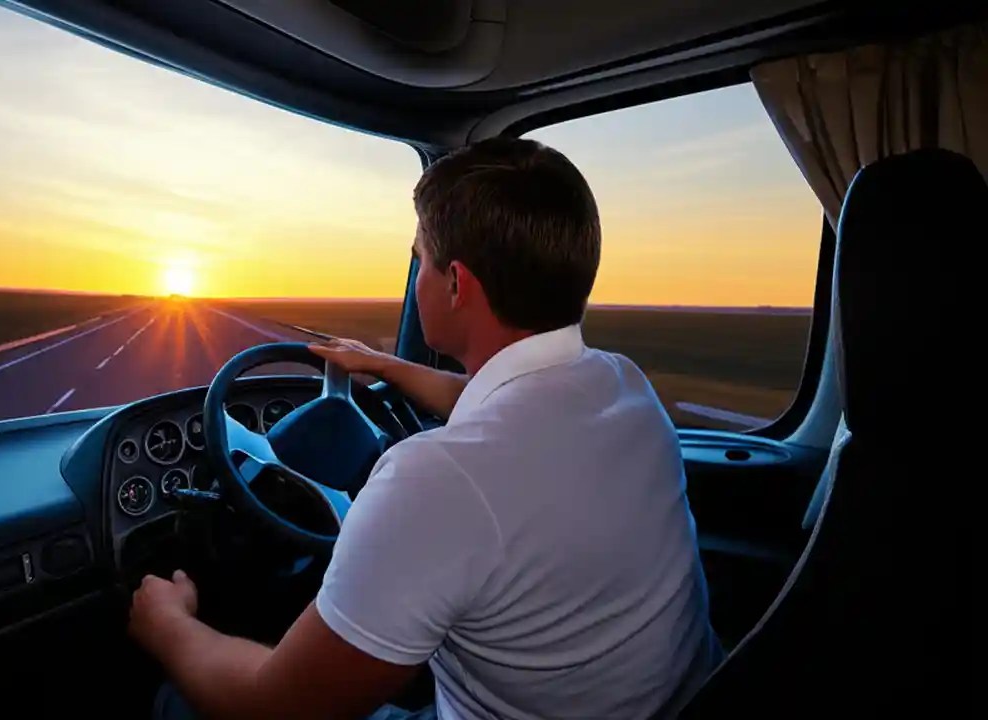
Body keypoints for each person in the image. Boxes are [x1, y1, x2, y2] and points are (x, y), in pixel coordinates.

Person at [126, 136, 725, 719]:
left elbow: (276, 703)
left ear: (458, 284)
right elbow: (497, 401)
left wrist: (168, 624)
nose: (418, 277)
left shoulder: (438, 480)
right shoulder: (624, 387)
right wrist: (385, 365)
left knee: (178, 701)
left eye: (421, 260)